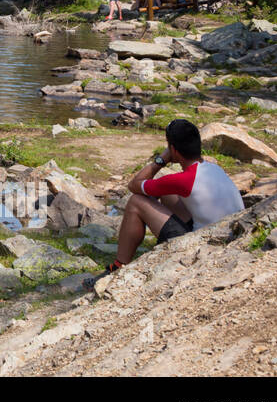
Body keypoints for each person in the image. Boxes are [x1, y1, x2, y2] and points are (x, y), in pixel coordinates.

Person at [85, 120, 243, 289]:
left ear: (173, 149)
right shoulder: (213, 168)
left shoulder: (183, 180)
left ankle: (118, 266)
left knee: (136, 202)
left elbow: (134, 185)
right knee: (167, 193)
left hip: (201, 246)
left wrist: (161, 160)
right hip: (230, 236)